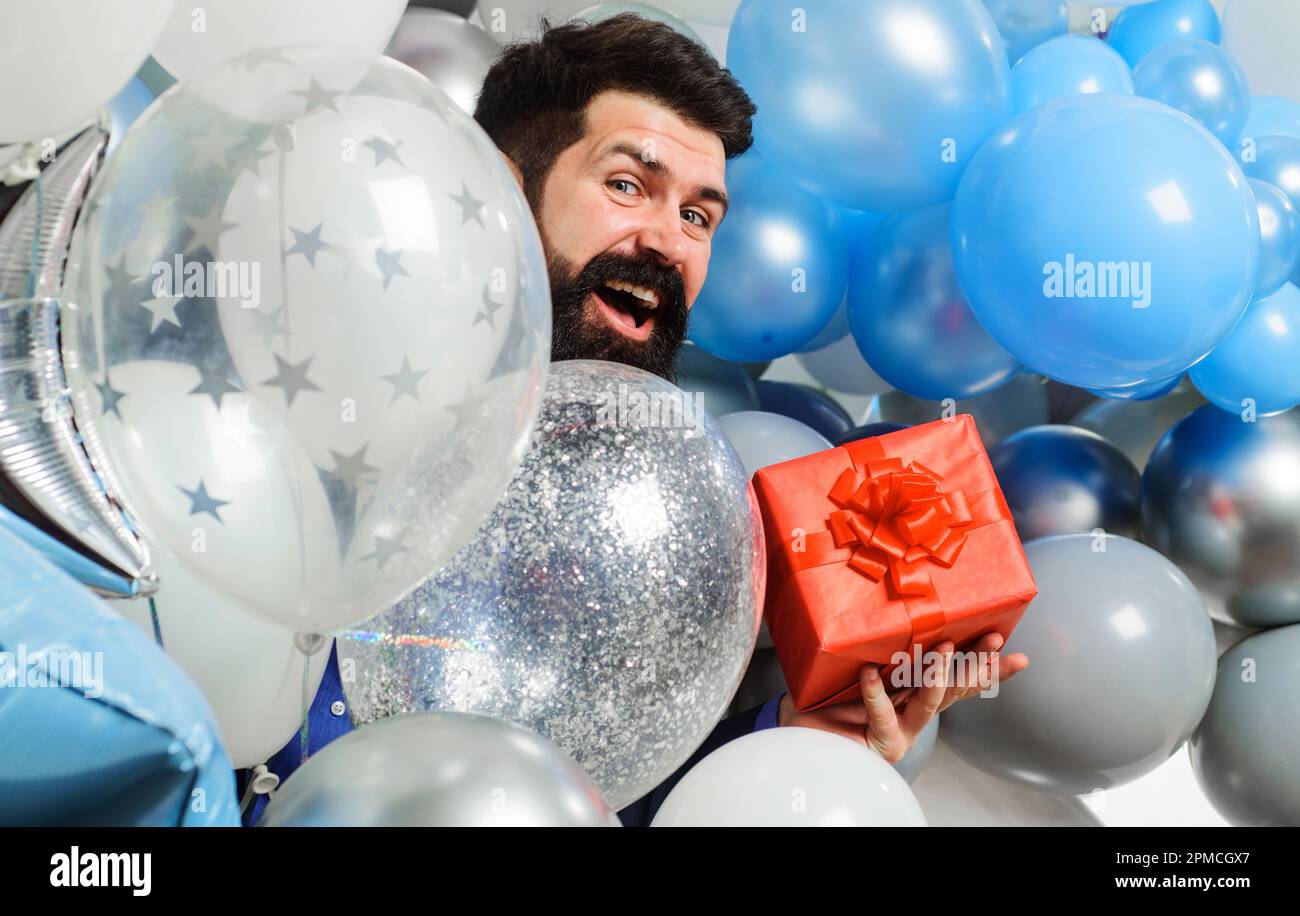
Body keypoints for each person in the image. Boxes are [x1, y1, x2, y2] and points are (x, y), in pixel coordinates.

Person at [238, 13, 1027, 826]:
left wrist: (792, 745)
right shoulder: (306, 392)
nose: (667, 242)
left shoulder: (654, 521)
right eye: (627, 185)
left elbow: (591, 793)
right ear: (500, 195)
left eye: (698, 216)